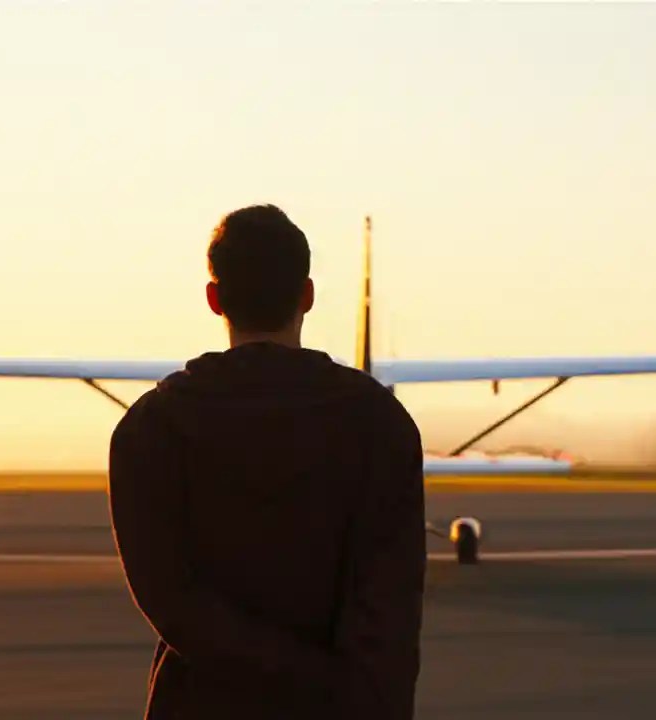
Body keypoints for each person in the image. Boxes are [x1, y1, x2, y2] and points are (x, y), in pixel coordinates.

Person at [108, 204, 425, 719]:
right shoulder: (381, 425)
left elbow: (171, 601)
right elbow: (390, 611)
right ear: (307, 295)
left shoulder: (149, 427)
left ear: (214, 299)